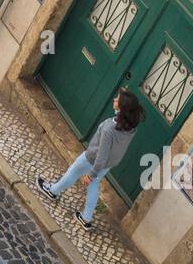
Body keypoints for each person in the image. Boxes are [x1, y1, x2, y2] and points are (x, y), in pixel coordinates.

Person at [36, 89, 145, 230]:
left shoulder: (109, 129)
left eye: (117, 99)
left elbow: (101, 155)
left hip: (92, 159)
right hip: (108, 164)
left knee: (73, 172)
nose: (114, 100)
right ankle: (86, 218)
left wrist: (91, 174)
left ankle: (53, 191)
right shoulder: (131, 126)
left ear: (122, 107)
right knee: (93, 186)